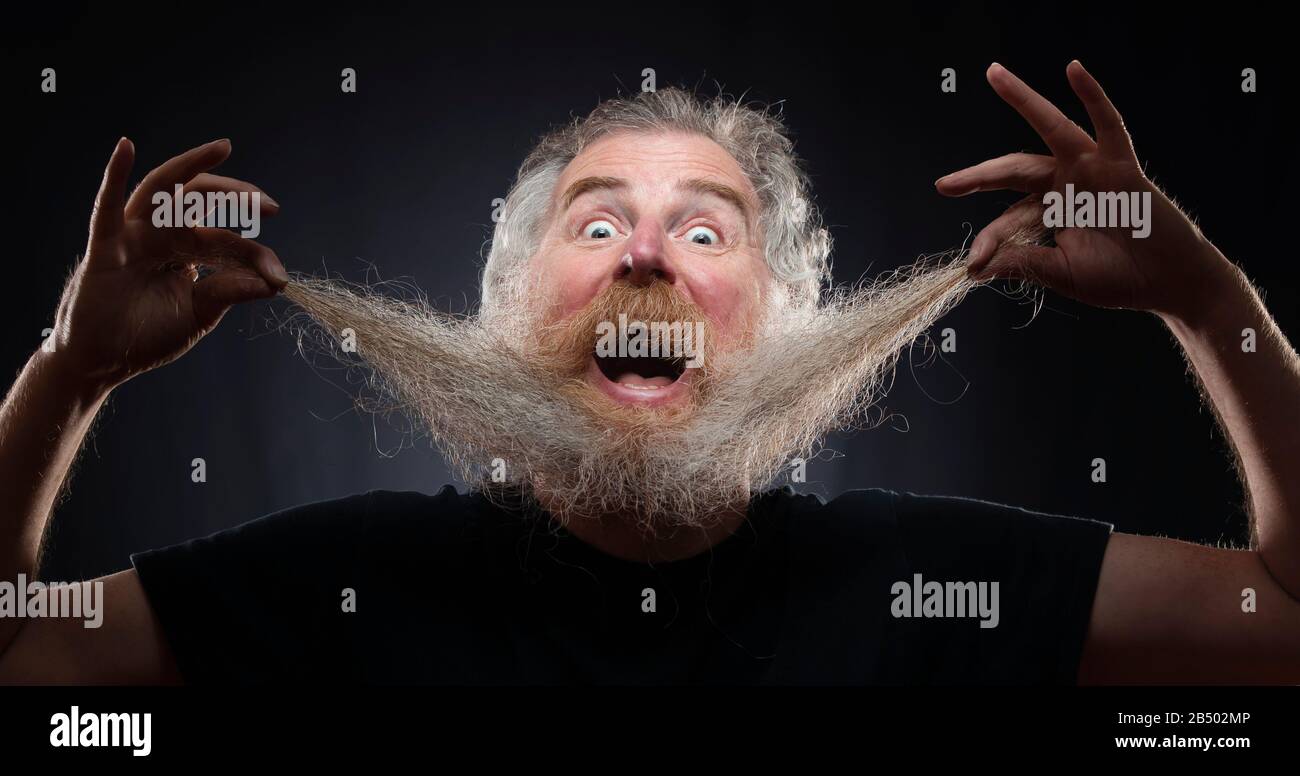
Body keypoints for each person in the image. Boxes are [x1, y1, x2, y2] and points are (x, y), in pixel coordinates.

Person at [1, 62, 1297, 684]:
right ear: (512, 309)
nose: (648, 262)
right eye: (601, 221)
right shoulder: (337, 586)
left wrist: (1206, 297)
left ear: (787, 315)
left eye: (706, 229)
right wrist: (71, 371)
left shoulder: (939, 589)